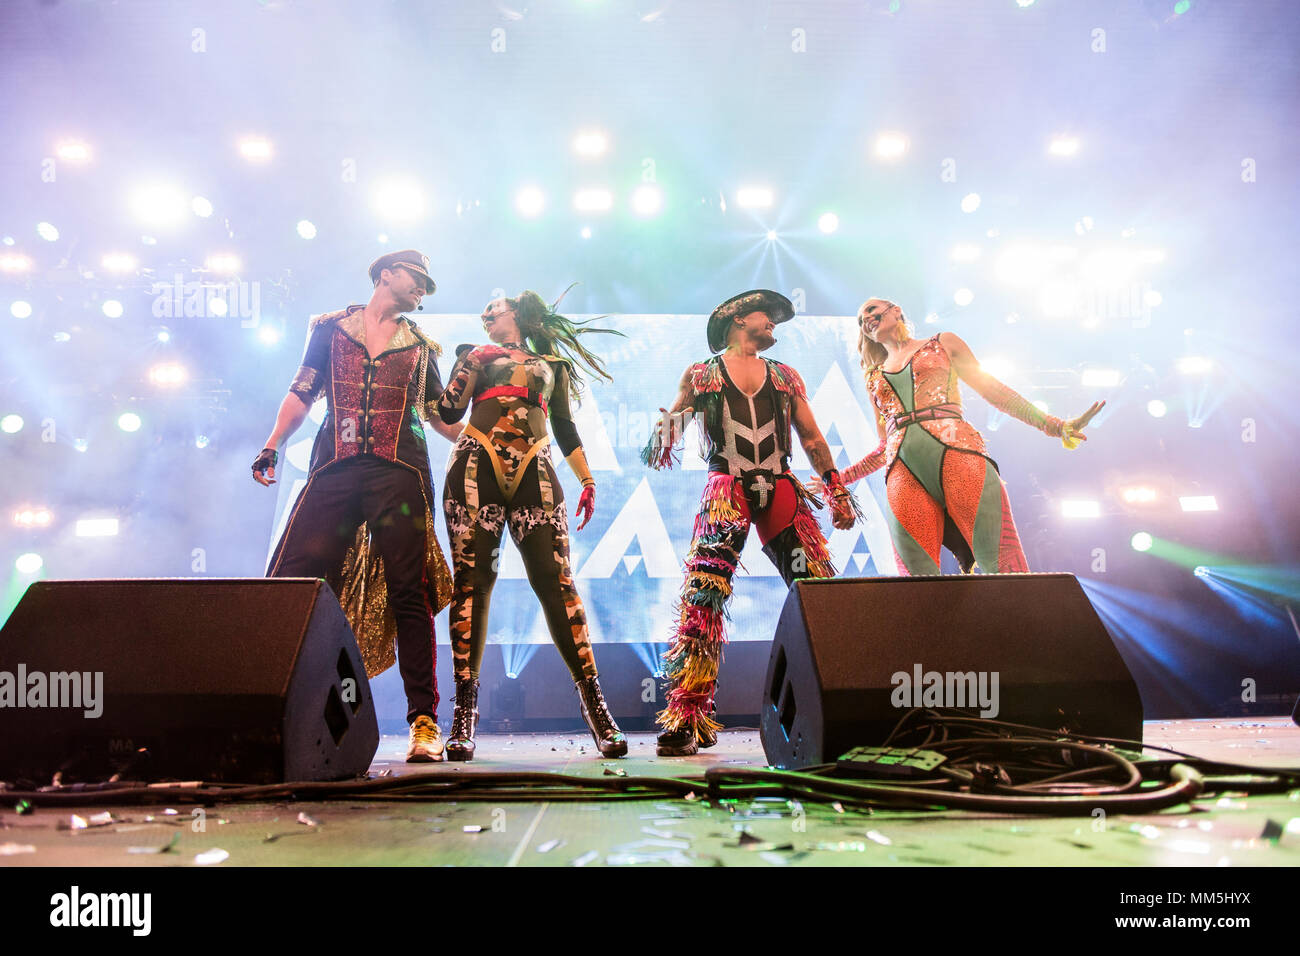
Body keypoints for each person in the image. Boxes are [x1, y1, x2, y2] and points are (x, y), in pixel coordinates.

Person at [253, 250, 462, 763]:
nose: (422, 292)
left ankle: (424, 724)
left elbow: (441, 417)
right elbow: (302, 391)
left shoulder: (421, 347)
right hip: (335, 468)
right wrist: (273, 443)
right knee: (296, 579)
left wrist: (493, 426)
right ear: (386, 274)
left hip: (401, 474)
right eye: (417, 280)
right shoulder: (329, 330)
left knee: (408, 591)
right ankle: (270, 705)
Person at [642, 290, 859, 756]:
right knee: (704, 600)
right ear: (740, 319)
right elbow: (669, 434)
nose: (774, 326)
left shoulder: (785, 376)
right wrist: (664, 430)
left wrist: (836, 488)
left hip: (781, 488)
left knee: (819, 594)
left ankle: (843, 706)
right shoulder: (702, 373)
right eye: (768, 318)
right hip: (728, 491)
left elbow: (812, 436)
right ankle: (686, 716)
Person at [436, 289, 627, 759]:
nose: (484, 316)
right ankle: (464, 714)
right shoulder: (476, 355)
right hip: (474, 463)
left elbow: (564, 428)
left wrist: (587, 480)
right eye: (482, 314)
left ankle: (596, 708)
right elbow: (446, 412)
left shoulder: (553, 367)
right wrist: (462, 366)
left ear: (517, 314)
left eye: (492, 310)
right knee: (473, 584)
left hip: (535, 469)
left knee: (556, 581)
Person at [820, 298, 1104, 575]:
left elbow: (993, 390)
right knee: (914, 579)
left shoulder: (943, 342)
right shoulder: (874, 377)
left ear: (896, 311)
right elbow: (884, 446)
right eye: (860, 319)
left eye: (871, 310)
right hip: (902, 472)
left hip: (960, 456)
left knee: (1002, 564)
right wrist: (839, 478)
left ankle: (1022, 622)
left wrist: (1054, 425)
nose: (865, 319)